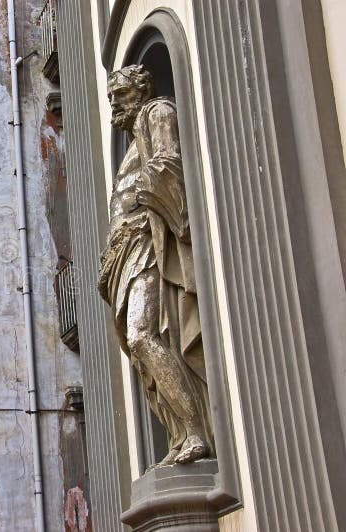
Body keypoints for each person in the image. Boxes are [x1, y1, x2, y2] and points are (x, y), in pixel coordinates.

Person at [98, 64, 214, 466]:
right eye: (111, 96)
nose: (113, 102)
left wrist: (138, 204)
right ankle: (181, 433)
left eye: (120, 94)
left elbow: (168, 163)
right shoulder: (131, 140)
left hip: (146, 242)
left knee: (143, 335)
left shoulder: (156, 112)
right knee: (139, 344)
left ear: (141, 91)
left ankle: (196, 427)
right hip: (126, 251)